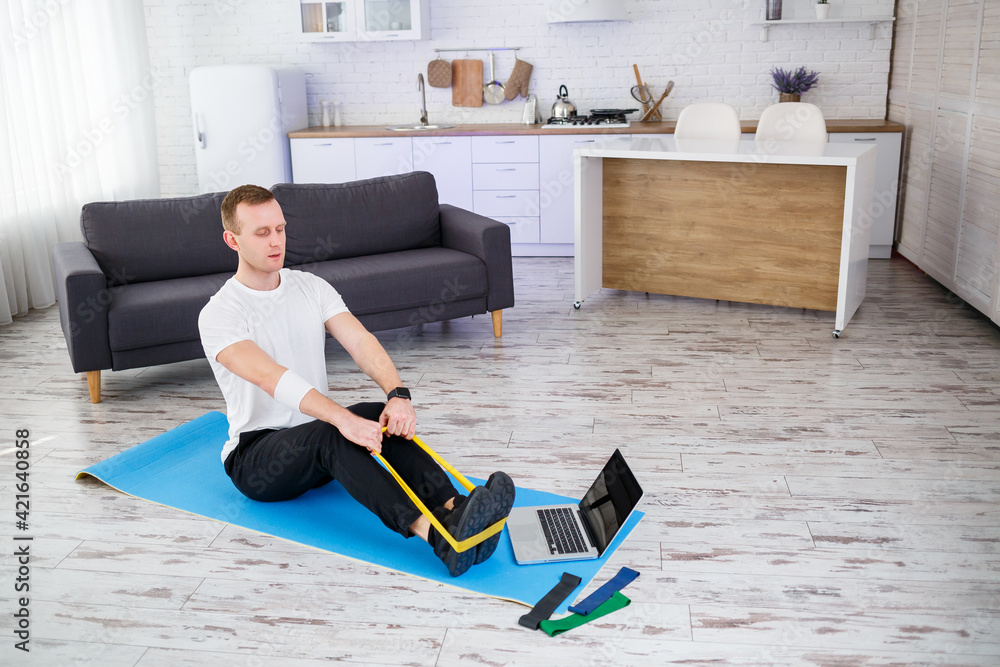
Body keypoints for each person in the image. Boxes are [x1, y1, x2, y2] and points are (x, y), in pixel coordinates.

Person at [197, 184, 514, 577]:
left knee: (374, 414)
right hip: (257, 459)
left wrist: (397, 395)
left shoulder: (310, 287)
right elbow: (270, 378)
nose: (276, 241)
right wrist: (341, 420)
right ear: (232, 240)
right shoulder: (220, 314)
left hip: (313, 444)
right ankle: (438, 538)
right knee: (336, 429)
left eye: (280, 229)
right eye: (262, 233)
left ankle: (456, 509)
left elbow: (360, 341)